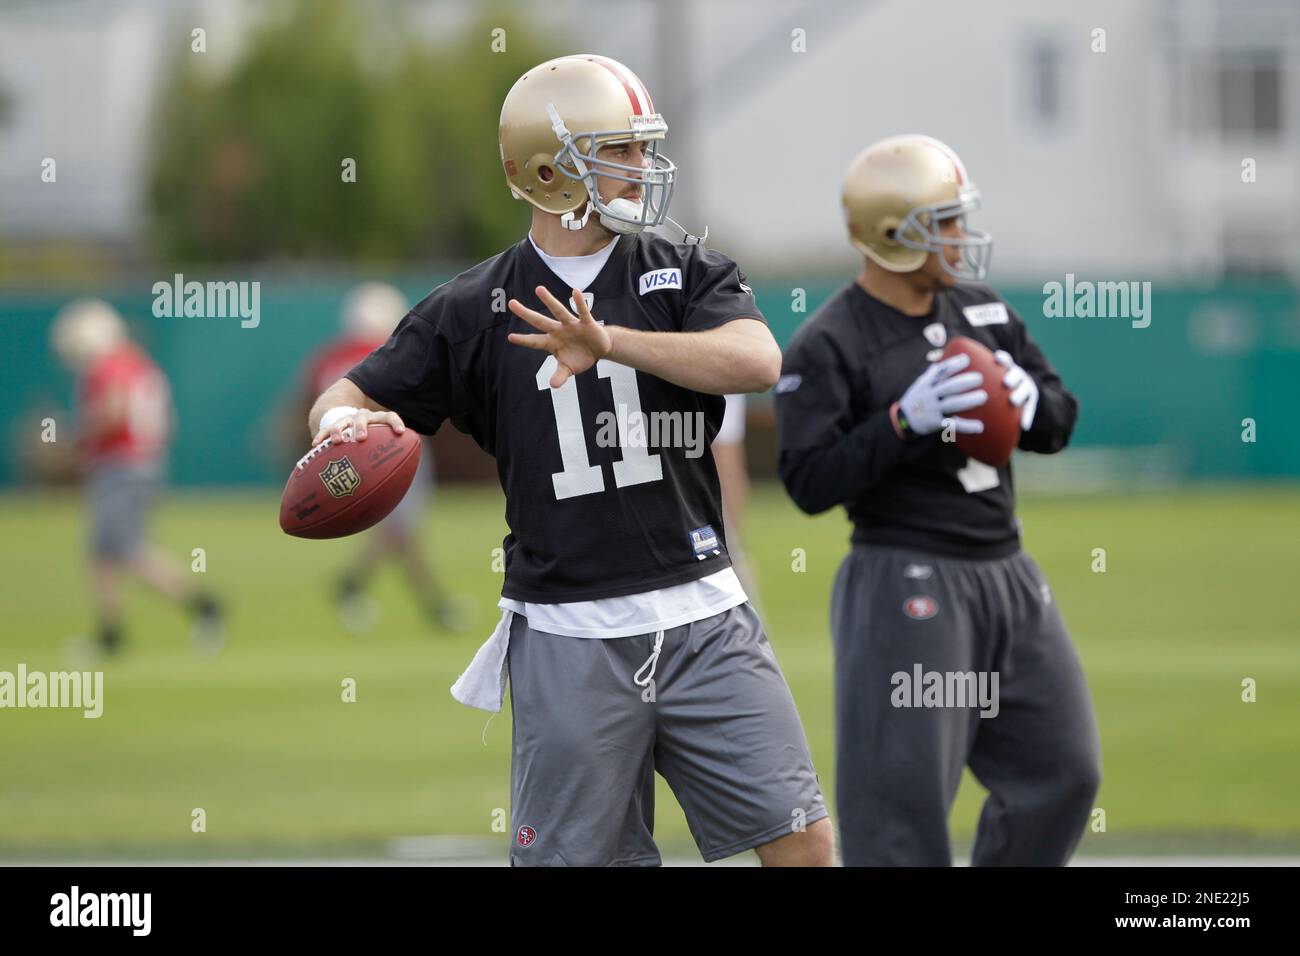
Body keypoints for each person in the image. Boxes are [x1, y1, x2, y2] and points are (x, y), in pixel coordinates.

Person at [307, 54, 831, 866]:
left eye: (642, 148)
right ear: (551, 171)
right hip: (570, 631)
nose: (643, 168)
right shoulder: (472, 307)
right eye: (620, 150)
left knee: (803, 843)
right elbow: (348, 394)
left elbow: (758, 360)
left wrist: (611, 342)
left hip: (703, 611)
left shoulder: (683, 266)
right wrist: (338, 428)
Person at [775, 135, 1100, 866]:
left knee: (1064, 772)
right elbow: (807, 482)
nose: (959, 237)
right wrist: (899, 425)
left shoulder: (982, 312)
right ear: (893, 233)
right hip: (906, 578)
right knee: (900, 811)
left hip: (1009, 573)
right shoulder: (831, 341)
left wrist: (1030, 402)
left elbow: (1059, 420)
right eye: (942, 222)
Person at [51, 298, 224, 658]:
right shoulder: (137, 363)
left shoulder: (110, 367)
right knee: (103, 552)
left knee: (127, 551)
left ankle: (203, 605)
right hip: (141, 462)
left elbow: (112, 412)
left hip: (122, 465)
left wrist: (76, 437)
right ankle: (111, 632)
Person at [299, 282, 467, 634]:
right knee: (402, 529)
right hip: (390, 450)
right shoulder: (384, 351)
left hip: (344, 456)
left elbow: (313, 400)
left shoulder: (329, 356)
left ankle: (361, 588)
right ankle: (429, 603)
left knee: (400, 531)